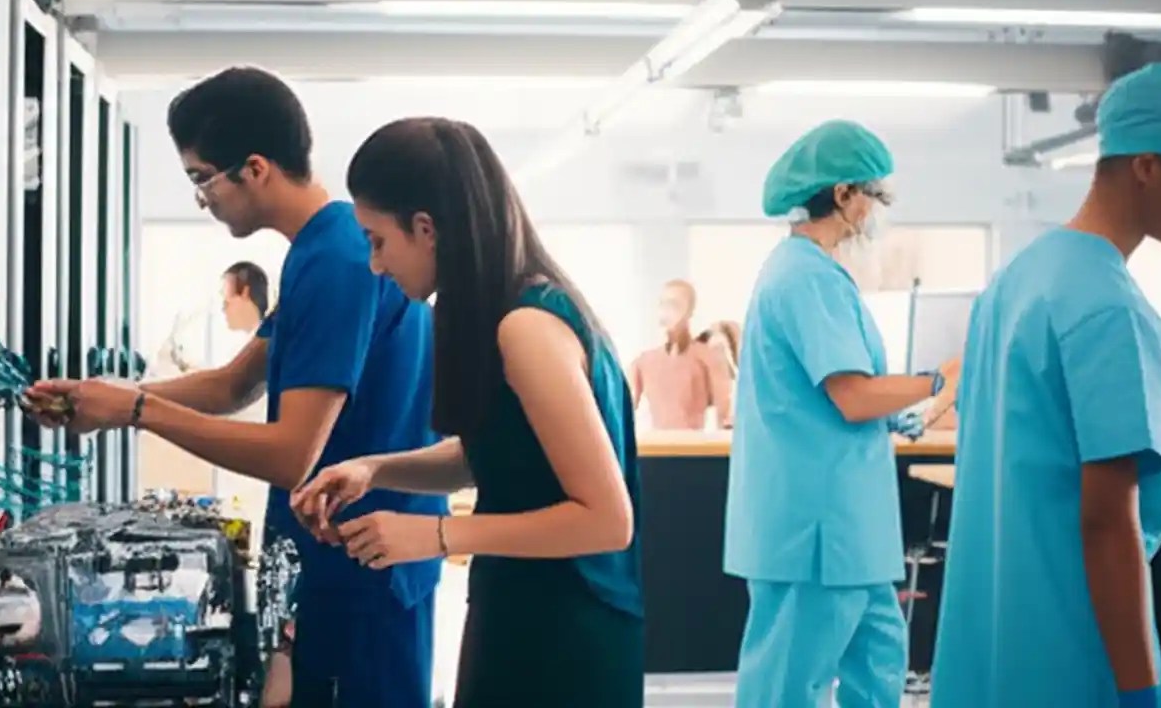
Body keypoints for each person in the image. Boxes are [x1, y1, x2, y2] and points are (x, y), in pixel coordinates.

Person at [26, 67, 444, 708]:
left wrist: (138, 411)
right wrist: (106, 399)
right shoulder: (320, 248)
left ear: (254, 168)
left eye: (201, 179)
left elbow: (290, 454)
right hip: (343, 566)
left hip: (359, 571)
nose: (203, 198)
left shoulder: (336, 261)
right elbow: (231, 385)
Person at [289, 117, 644, 708]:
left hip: (566, 635)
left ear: (425, 229)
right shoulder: (490, 309)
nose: (375, 265)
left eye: (378, 241)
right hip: (520, 606)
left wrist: (436, 534)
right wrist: (374, 469)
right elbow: (500, 455)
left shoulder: (527, 326)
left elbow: (607, 520)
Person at [931, 64, 1161, 708]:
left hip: (985, 644)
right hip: (1067, 648)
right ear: (1148, 166)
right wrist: (1141, 691)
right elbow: (1107, 524)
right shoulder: (1113, 312)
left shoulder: (1015, 281)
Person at [724, 119, 959, 708]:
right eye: (876, 196)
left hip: (851, 529)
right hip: (815, 529)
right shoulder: (804, 278)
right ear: (843, 195)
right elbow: (853, 396)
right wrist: (937, 380)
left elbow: (837, 397)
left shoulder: (821, 274)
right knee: (789, 685)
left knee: (879, 663)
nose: (879, 212)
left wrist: (896, 415)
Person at [629, 279, 733, 429]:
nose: (667, 312)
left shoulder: (708, 358)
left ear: (689, 311)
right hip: (655, 447)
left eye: (674, 305)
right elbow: (622, 414)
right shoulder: (642, 362)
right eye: (663, 304)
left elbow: (725, 417)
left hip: (692, 447)